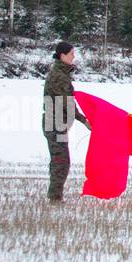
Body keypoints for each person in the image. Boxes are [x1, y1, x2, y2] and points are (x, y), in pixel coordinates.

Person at [42, 41, 90, 202]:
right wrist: (84, 120)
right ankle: (55, 197)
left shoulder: (61, 74)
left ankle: (55, 195)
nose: (74, 56)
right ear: (62, 55)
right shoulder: (58, 76)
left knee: (59, 159)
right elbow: (67, 103)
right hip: (54, 124)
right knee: (61, 161)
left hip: (58, 124)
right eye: (71, 54)